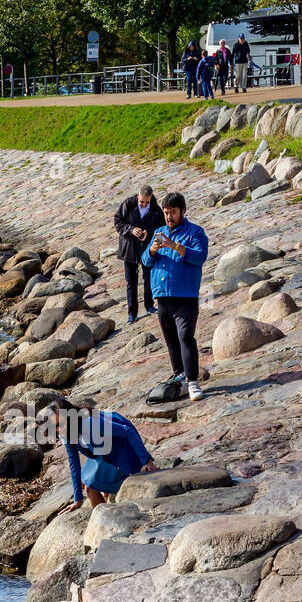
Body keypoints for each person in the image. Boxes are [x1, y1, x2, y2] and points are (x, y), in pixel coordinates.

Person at [141, 192, 210, 401]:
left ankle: (193, 381)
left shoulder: (195, 232)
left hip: (185, 296)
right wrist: (152, 250)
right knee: (171, 341)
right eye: (166, 213)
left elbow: (200, 257)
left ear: (183, 211)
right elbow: (145, 261)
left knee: (185, 337)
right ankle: (179, 376)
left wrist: (174, 246)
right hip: (162, 297)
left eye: (173, 213)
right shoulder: (159, 232)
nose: (169, 217)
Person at [39, 398, 156, 513]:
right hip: (101, 452)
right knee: (84, 481)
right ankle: (107, 499)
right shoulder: (64, 432)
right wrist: (77, 500)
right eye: (54, 427)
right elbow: (73, 464)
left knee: (91, 487)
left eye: (60, 424)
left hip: (121, 448)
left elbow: (127, 431)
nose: (58, 429)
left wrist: (146, 461)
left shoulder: (88, 423)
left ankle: (107, 518)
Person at [115, 185, 166, 324]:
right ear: (138, 196)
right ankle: (132, 313)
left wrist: (148, 232)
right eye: (142, 201)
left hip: (147, 249)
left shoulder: (156, 209)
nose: (144, 204)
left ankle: (149, 306)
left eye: (146, 202)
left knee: (149, 278)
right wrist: (130, 229)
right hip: (129, 248)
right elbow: (117, 221)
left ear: (150, 199)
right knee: (131, 282)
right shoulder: (127, 204)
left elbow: (162, 228)